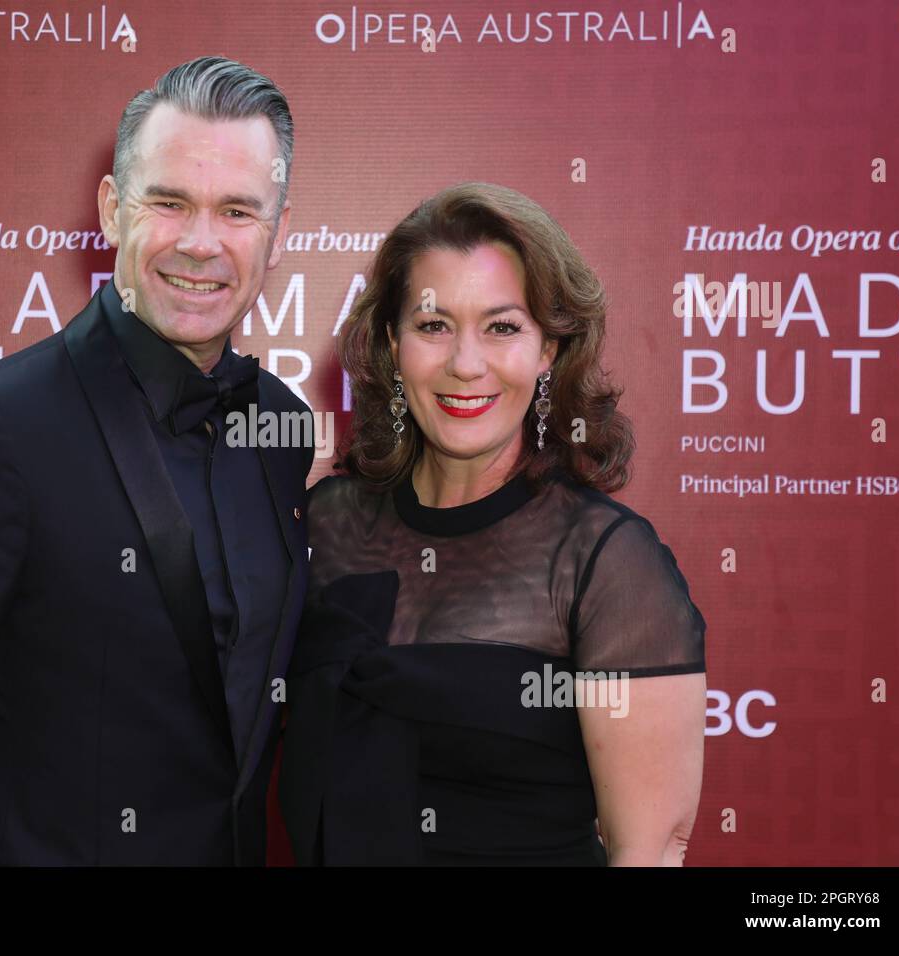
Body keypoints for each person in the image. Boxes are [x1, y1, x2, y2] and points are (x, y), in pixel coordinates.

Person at [0, 56, 313, 865]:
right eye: (170, 201)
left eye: (237, 211)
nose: (200, 242)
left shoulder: (284, 431)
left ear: (278, 236)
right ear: (113, 210)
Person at [279, 182, 707, 866]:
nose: (465, 364)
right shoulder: (324, 525)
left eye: (502, 326)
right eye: (433, 325)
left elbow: (648, 851)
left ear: (548, 352)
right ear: (392, 343)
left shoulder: (604, 564)